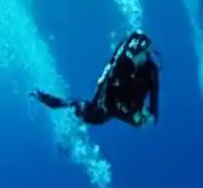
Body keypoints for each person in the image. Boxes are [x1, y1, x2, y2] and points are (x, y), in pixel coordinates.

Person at [31, 30, 159, 126]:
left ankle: (74, 113)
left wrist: (152, 114)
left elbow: (154, 90)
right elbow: (107, 100)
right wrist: (128, 114)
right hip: (112, 93)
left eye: (138, 56)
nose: (135, 60)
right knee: (93, 115)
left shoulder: (150, 70)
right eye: (132, 56)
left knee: (136, 117)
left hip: (127, 93)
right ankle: (48, 99)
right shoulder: (119, 65)